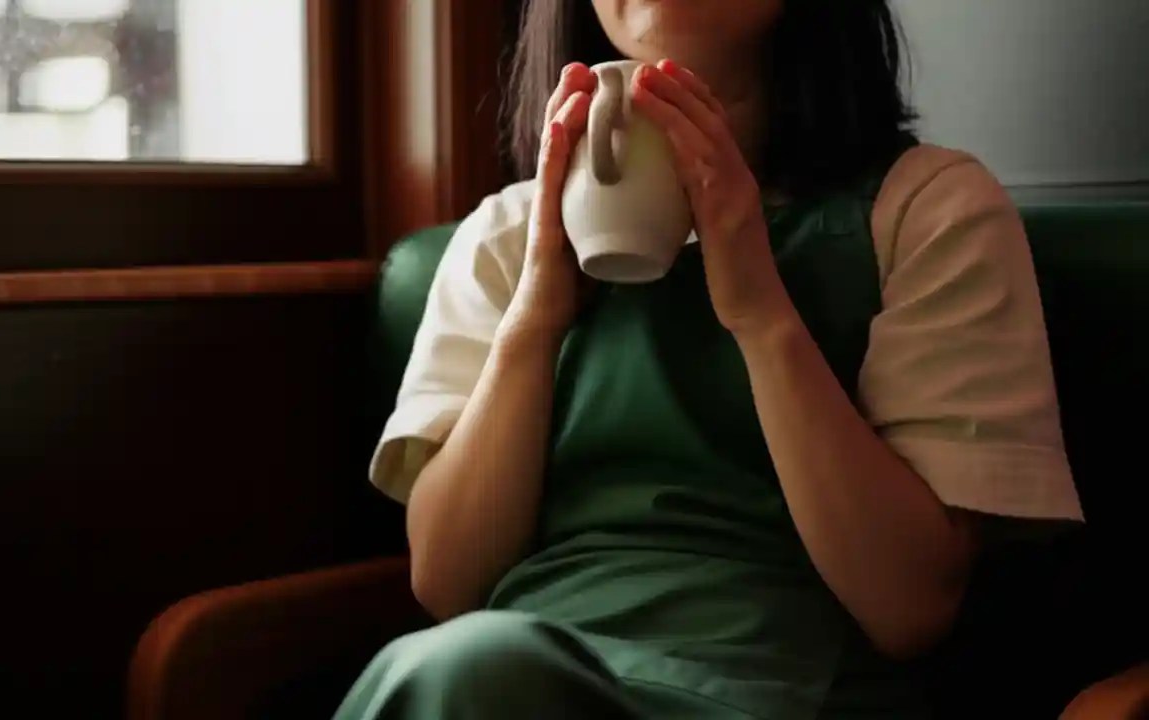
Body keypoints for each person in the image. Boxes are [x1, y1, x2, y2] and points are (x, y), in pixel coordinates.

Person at [335, 1, 1084, 718]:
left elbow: (910, 606)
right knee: (468, 666)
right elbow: (446, 580)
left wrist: (758, 307)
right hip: (516, 678)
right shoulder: (503, 236)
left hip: (784, 692)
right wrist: (535, 318)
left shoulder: (927, 209)